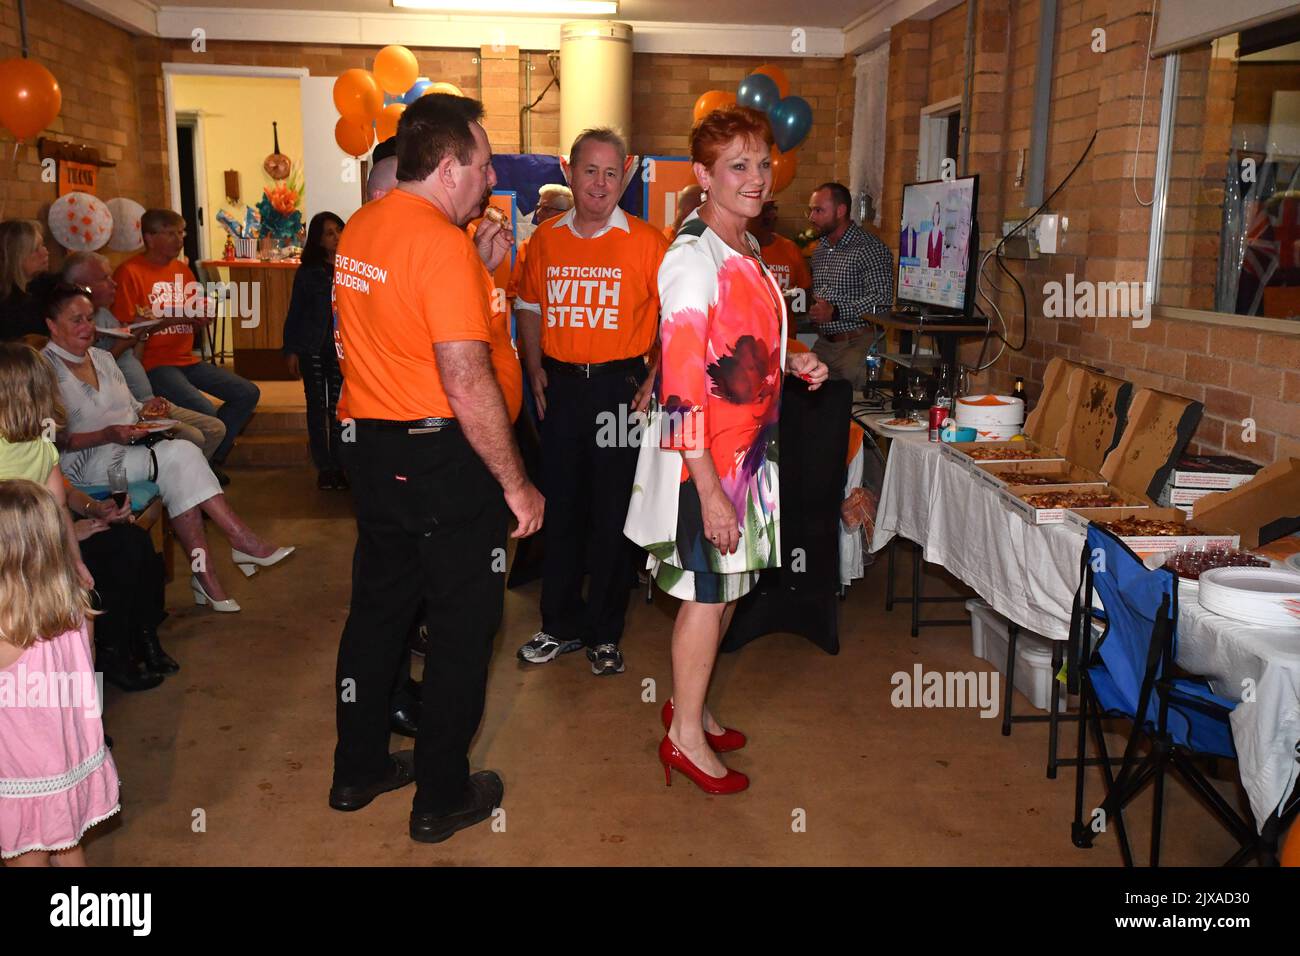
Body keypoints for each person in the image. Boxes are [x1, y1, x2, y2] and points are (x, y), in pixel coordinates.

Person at [328, 93, 542, 845]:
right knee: (461, 626)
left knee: (381, 609)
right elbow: (466, 377)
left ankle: (356, 769)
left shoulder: (365, 225)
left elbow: (399, 325)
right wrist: (516, 483)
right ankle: (441, 794)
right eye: (482, 167)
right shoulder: (440, 246)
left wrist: (481, 275)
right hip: (440, 457)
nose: (489, 182)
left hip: (376, 448)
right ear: (450, 167)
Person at [624, 106, 827, 794]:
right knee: (707, 596)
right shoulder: (691, 259)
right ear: (703, 175)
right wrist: (708, 490)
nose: (757, 177)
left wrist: (790, 360)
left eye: (763, 163)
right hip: (706, 462)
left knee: (731, 587)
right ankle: (683, 741)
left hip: (747, 456)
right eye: (737, 165)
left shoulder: (745, 246)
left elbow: (732, 346)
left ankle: (693, 706)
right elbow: (681, 392)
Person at [513, 127, 669, 676]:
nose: (600, 184)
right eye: (589, 170)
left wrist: (655, 374)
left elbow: (680, 317)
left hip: (619, 392)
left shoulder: (650, 243)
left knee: (611, 514)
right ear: (568, 172)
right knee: (561, 508)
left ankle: (605, 632)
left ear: (624, 174)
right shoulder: (546, 240)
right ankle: (557, 624)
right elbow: (529, 304)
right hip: (560, 387)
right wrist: (532, 364)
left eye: (611, 172)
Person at [41, 283, 293, 614]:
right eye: (77, 321)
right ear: (51, 325)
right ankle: (237, 545)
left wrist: (146, 412)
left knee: (180, 469)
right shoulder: (43, 370)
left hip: (129, 453)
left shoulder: (102, 357)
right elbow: (48, 442)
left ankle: (209, 576)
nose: (88, 327)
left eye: (90, 318)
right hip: (84, 467)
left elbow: (130, 405)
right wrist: (105, 435)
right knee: (182, 456)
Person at [0, 341, 173, 691]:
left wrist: (86, 529)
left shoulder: (42, 446)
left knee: (132, 541)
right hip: (17, 557)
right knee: (116, 558)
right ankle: (108, 660)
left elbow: (60, 503)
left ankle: (132, 647)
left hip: (50, 546)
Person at [0, 479, 121, 867]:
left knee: (27, 854)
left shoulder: (8, 627)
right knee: (67, 846)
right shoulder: (74, 604)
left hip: (23, 769)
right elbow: (85, 671)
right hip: (68, 753)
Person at [110, 209, 261, 482]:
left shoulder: (182, 270)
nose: (179, 240)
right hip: (154, 362)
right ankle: (198, 469)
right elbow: (128, 330)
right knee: (203, 410)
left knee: (246, 392)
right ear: (149, 237)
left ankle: (211, 458)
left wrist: (201, 318)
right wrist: (177, 317)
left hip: (186, 358)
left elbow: (193, 311)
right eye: (170, 233)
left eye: (181, 233)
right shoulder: (129, 273)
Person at [61, 251, 226, 462]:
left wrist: (141, 335)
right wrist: (125, 343)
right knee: (194, 435)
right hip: (129, 409)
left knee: (215, 427)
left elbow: (133, 360)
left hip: (145, 400)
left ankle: (185, 478)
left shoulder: (105, 314)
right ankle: (172, 479)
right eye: (104, 278)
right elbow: (92, 371)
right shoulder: (80, 326)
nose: (114, 284)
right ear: (82, 285)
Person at [806, 182, 895, 389]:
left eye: (819, 210)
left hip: (857, 345)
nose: (812, 217)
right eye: (811, 210)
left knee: (855, 412)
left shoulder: (869, 248)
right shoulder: (821, 250)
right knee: (815, 410)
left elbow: (881, 301)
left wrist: (836, 311)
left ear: (840, 211)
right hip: (825, 344)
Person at [282, 211, 347, 490]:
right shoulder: (309, 272)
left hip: (342, 349)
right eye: (329, 233)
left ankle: (341, 464)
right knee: (317, 408)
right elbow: (295, 312)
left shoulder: (351, 268)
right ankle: (325, 467)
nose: (336, 238)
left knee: (338, 408)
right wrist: (291, 350)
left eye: (339, 231)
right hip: (312, 347)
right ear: (318, 240)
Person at [0, 219, 57, 341]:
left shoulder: (47, 289)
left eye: (43, 245)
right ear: (16, 256)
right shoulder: (7, 308)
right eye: (36, 249)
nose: (45, 252)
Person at [750, 200, 811, 293]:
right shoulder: (737, 250)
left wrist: (793, 297)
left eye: (772, 209)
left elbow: (805, 289)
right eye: (764, 210)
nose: (769, 215)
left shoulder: (790, 248)